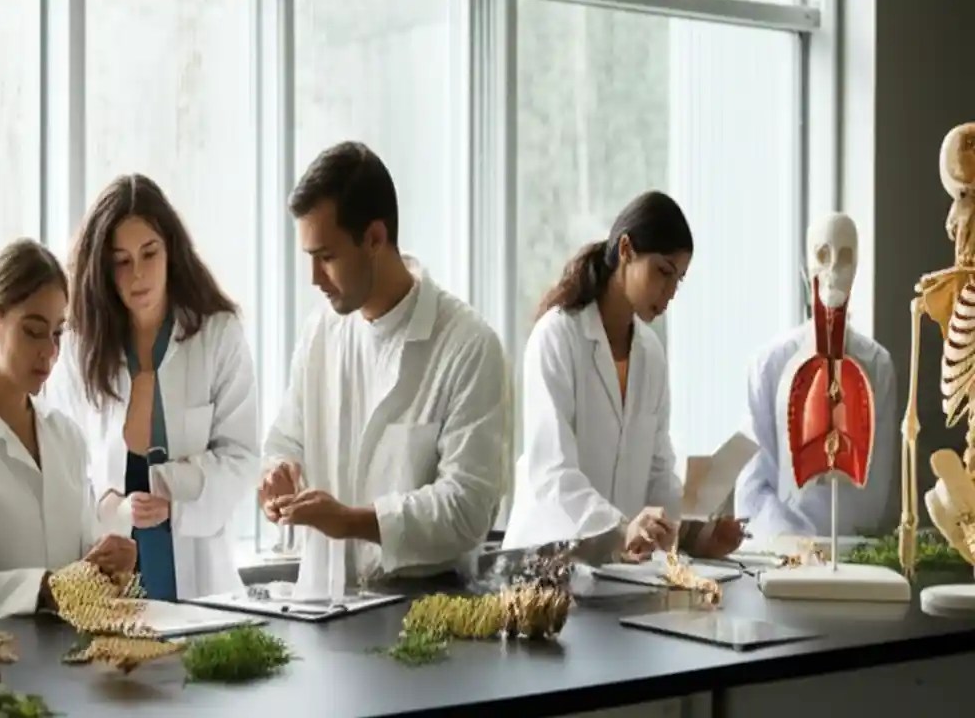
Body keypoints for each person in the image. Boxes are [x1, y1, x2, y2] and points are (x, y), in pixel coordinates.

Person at [259, 141, 508, 599]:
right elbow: (285, 440)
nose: (314, 278)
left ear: (375, 238)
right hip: (328, 603)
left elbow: (469, 508)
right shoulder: (320, 335)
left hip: (430, 614)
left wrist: (352, 521)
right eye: (309, 258)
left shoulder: (469, 345)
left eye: (327, 256)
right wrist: (279, 472)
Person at [45, 174, 257, 601]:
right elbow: (64, 467)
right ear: (102, 267)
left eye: (149, 254)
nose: (138, 274)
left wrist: (168, 497)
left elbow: (242, 457)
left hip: (200, 572)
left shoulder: (218, 334)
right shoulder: (78, 347)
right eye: (121, 260)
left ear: (171, 251)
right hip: (110, 568)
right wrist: (112, 508)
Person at [501, 190, 743, 561]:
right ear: (626, 250)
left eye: (678, 279)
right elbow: (553, 473)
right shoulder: (556, 337)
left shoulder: (651, 355)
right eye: (663, 272)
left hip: (615, 570)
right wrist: (621, 529)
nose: (670, 293)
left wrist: (694, 536)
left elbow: (658, 473)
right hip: (545, 564)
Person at [0, 239, 137, 623]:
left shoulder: (66, 436)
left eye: (57, 334)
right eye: (33, 332)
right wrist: (48, 588)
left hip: (70, 661)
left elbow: (84, 557)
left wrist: (114, 562)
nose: (49, 352)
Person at [734, 213, 898, 538]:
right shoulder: (769, 364)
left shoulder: (878, 365)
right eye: (823, 255)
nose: (834, 270)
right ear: (804, 268)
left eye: (846, 257)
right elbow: (752, 489)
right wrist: (796, 545)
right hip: (785, 554)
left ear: (858, 267)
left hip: (857, 554)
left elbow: (879, 487)